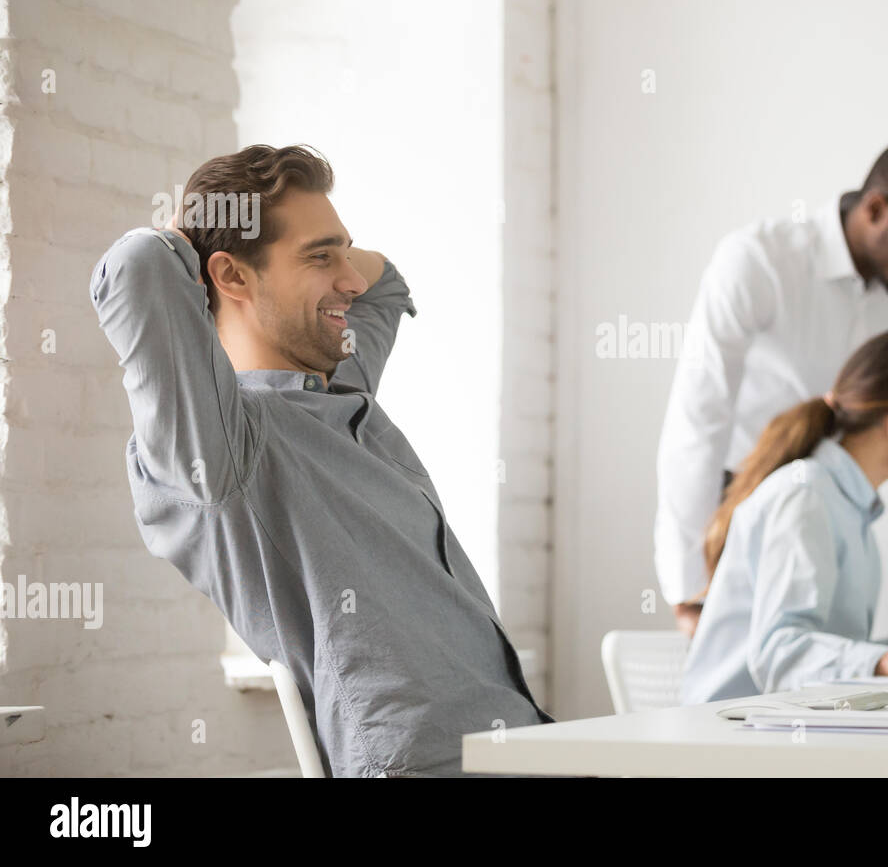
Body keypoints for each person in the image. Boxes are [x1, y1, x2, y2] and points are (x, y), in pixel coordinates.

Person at [90, 144, 552, 776]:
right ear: (229, 277)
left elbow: (385, 283)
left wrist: (315, 253)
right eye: (319, 256)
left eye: (342, 251)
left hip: (524, 746)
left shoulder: (339, 385)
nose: (352, 280)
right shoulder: (224, 445)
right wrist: (200, 232)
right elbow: (140, 267)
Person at [655, 137, 888, 636]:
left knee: (819, 673)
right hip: (737, 500)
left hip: (832, 509)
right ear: (876, 209)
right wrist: (689, 590)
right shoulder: (759, 262)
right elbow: (699, 417)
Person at [679, 328, 888, 705]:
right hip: (725, 740)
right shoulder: (806, 496)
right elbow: (780, 655)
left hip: (778, 726)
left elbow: (834, 652)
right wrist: (886, 661)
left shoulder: (849, 511)